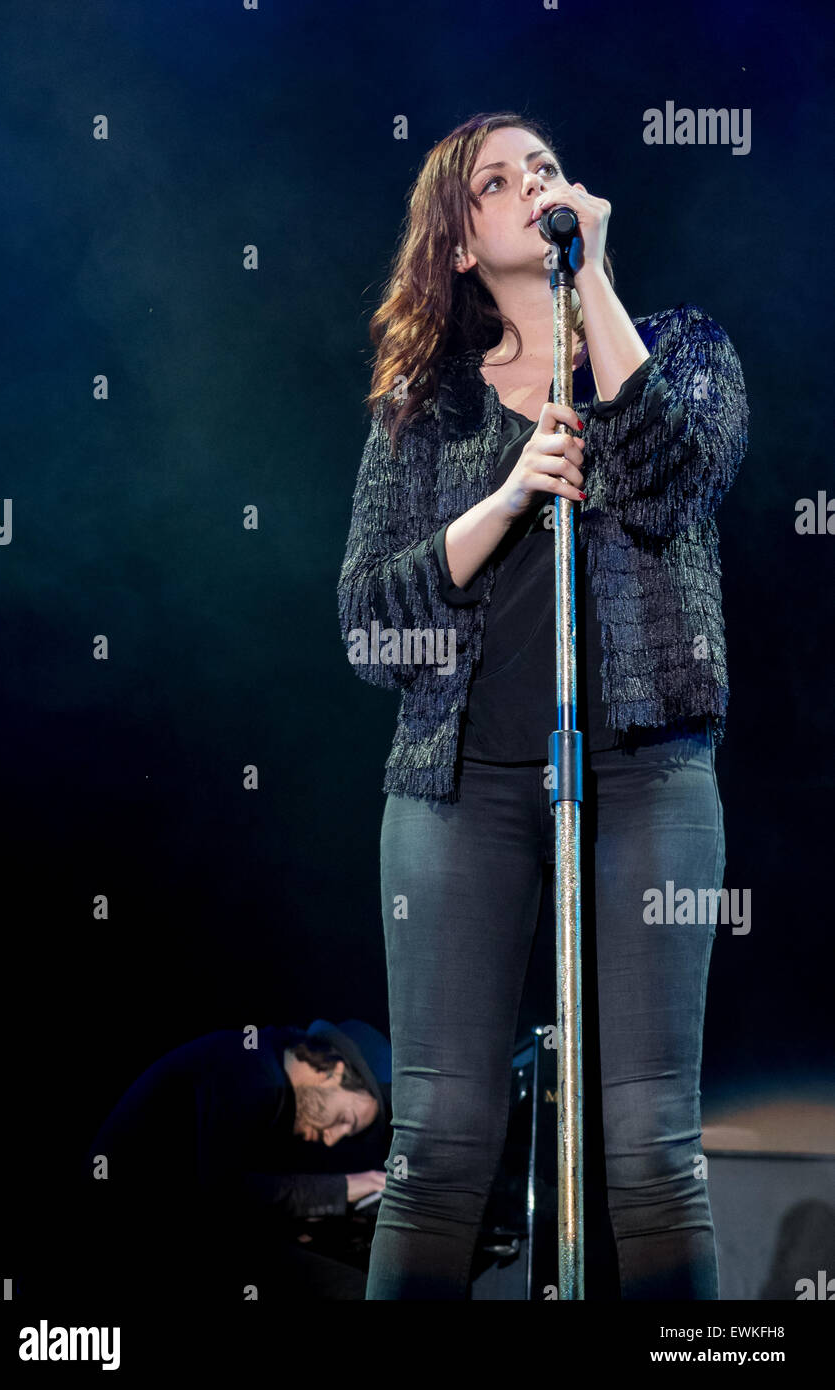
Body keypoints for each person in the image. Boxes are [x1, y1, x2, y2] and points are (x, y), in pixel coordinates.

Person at [337, 111, 748, 1300]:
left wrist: (593, 281)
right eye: (496, 181)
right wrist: (509, 494)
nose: (532, 186)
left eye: (547, 169)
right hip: (457, 786)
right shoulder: (424, 408)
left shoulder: (676, 348)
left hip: (646, 771)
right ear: (460, 243)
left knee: (653, 1151)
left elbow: (674, 476)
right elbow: (369, 622)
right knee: (436, 1151)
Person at [79, 1020, 391, 1300]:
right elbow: (227, 1193)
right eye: (345, 1120)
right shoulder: (250, 1071)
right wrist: (345, 1187)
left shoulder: (266, 1074)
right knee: (357, 1291)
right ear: (333, 1071)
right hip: (118, 1237)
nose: (331, 1138)